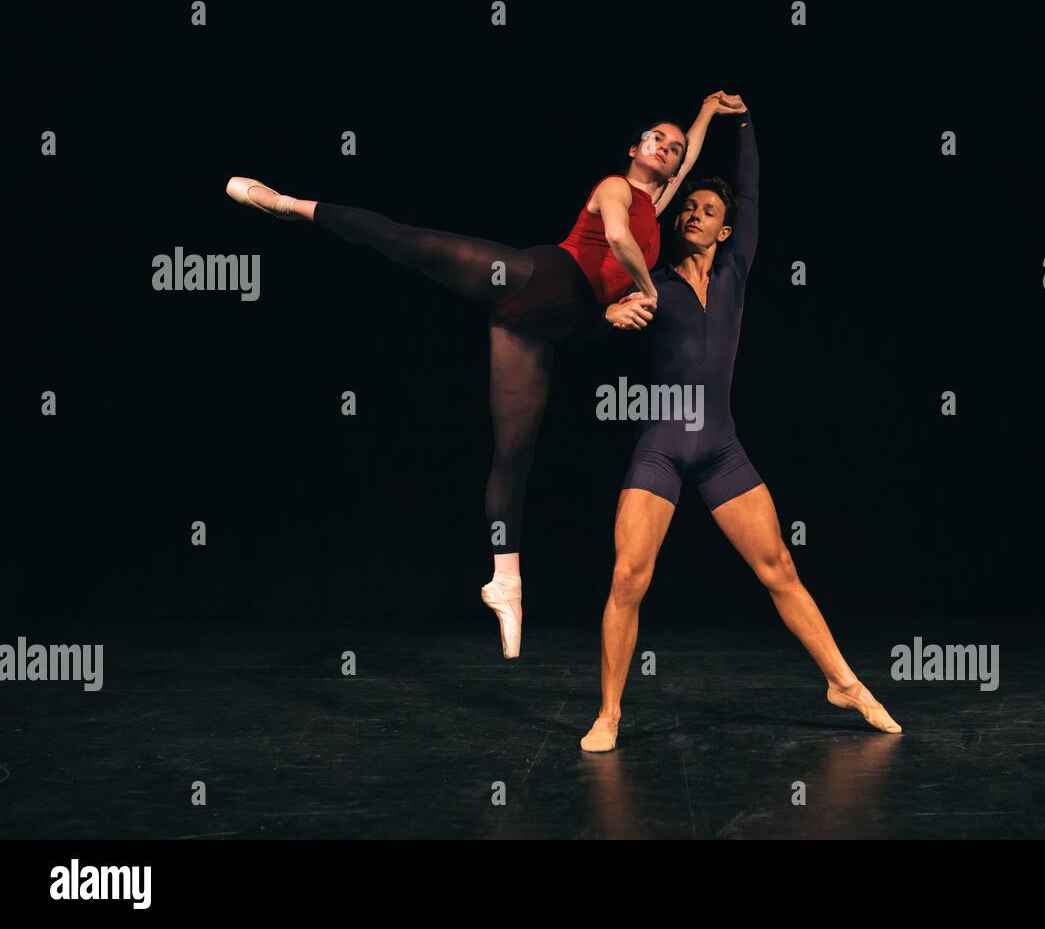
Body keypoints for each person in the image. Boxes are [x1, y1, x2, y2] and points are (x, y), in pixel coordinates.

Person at [225, 93, 749, 659]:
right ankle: (286, 204)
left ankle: (506, 582)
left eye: (675, 149)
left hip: (545, 329)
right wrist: (644, 292)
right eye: (658, 141)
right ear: (634, 149)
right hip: (534, 282)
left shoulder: (663, 197)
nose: (670, 151)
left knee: (514, 454)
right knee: (404, 241)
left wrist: (704, 114)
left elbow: (690, 158)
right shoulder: (615, 188)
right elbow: (619, 240)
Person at [580, 100, 903, 752]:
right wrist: (608, 315)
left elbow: (750, 192)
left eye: (706, 210)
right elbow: (590, 307)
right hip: (663, 449)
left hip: (722, 449)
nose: (693, 213)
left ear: (726, 230)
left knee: (780, 566)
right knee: (627, 578)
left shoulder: (735, 269)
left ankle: (843, 682)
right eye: (688, 207)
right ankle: (609, 714)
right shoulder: (654, 285)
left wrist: (747, 124)